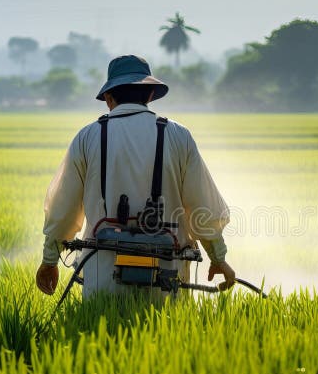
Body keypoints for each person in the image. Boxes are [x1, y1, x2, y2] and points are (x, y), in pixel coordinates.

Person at [35, 55, 235, 297]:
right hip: (166, 278)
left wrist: (50, 261)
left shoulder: (87, 137)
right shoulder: (178, 136)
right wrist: (218, 257)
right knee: (166, 330)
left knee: (97, 331)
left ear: (109, 97)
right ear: (150, 95)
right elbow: (203, 206)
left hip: (102, 277)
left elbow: (63, 211)